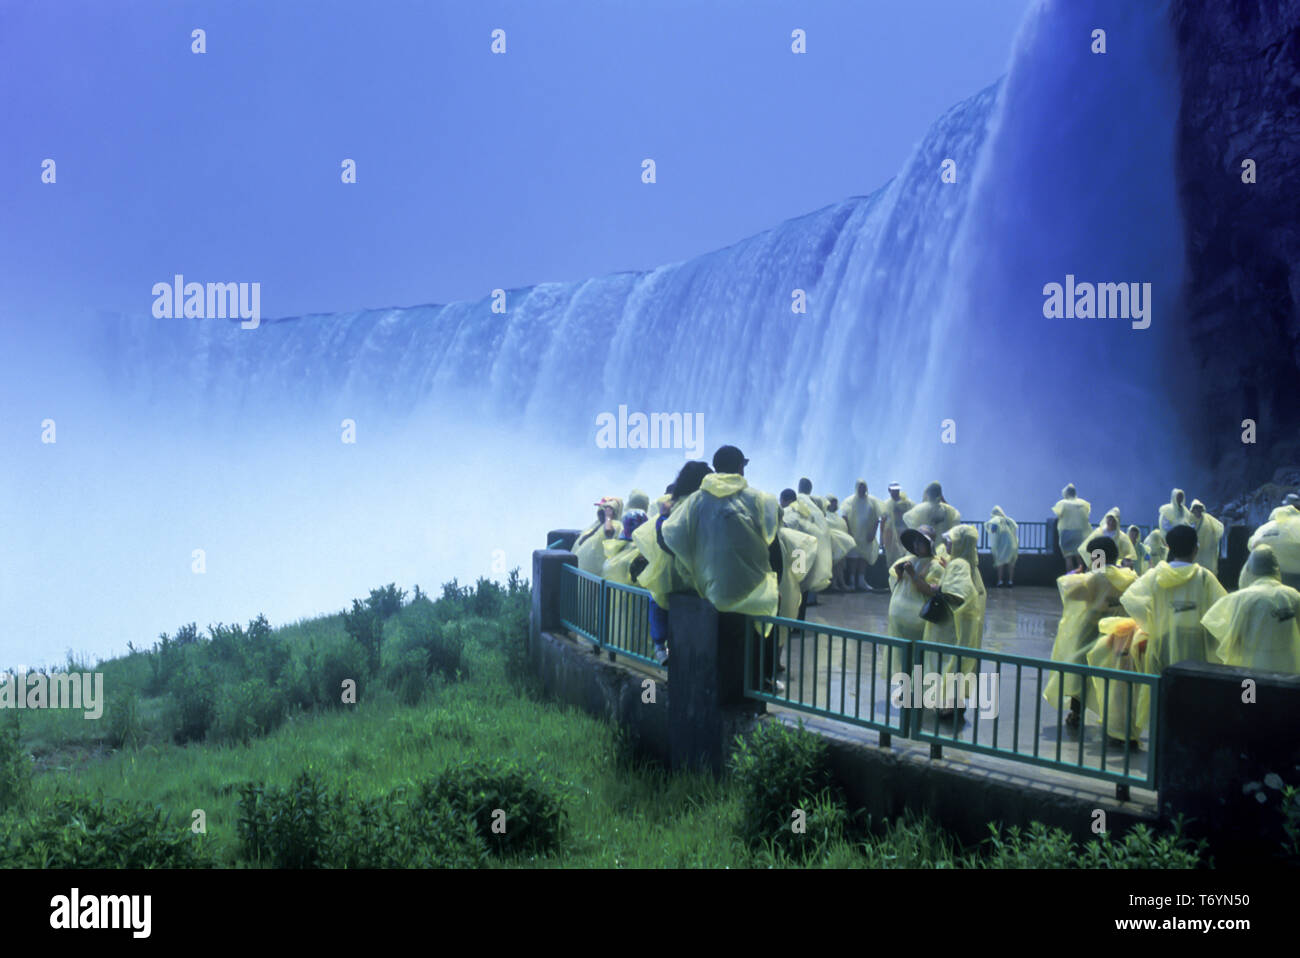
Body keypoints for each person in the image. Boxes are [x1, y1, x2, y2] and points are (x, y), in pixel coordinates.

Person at [661, 445, 784, 692]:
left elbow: (669, 536)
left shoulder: (696, 500)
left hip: (710, 587)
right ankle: (764, 679)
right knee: (769, 610)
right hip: (751, 589)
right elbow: (774, 537)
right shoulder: (760, 499)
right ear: (741, 467)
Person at [1044, 536, 1137, 729]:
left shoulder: (1093, 578)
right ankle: (1116, 720)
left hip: (1089, 631)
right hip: (1117, 632)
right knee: (1115, 676)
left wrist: (1076, 572)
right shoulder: (1129, 577)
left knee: (1081, 674)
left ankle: (1076, 712)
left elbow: (1068, 590)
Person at [1122, 525, 1228, 675]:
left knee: (1164, 689)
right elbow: (1223, 611)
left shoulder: (1155, 575)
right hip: (1195, 643)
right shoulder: (1204, 577)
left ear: (1169, 548)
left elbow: (1130, 600)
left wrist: (1152, 625)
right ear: (1195, 549)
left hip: (1162, 641)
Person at [633, 463, 711, 665]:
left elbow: (665, 541)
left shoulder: (678, 506)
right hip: (702, 574)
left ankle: (659, 646)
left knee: (657, 597)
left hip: (677, 572)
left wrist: (662, 517)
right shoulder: (705, 503)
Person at [918, 525, 985, 717]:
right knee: (957, 663)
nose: (946, 543)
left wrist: (938, 590)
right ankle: (955, 701)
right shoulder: (969, 563)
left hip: (949, 626)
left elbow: (959, 594)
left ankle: (946, 705)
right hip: (962, 625)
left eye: (951, 541)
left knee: (944, 662)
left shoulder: (958, 565)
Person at [1203, 544, 1300, 673]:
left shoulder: (1242, 598)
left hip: (1253, 670)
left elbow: (1214, 633)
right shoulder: (1294, 595)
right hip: (1291, 668)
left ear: (1248, 569)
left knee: (1251, 694)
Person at [1084, 617, 1150, 746]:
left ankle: (1119, 734)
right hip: (1128, 680)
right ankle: (1125, 735)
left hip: (1119, 680)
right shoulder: (1139, 634)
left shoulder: (1118, 634)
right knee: (1129, 706)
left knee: (1118, 705)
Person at [886, 526, 944, 645]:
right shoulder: (907, 560)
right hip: (899, 619)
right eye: (915, 541)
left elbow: (931, 592)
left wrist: (913, 574)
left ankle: (917, 665)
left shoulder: (935, 565)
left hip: (917, 623)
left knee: (917, 656)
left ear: (930, 544)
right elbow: (897, 586)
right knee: (902, 655)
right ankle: (905, 665)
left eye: (921, 542)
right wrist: (899, 574)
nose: (916, 545)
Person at [842, 480, 884, 592]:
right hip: (854, 534)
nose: (862, 489)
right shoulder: (849, 501)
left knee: (863, 558)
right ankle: (852, 581)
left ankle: (861, 581)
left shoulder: (872, 501)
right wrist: (849, 532)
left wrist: (873, 532)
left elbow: (877, 518)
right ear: (856, 488)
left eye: (864, 487)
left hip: (866, 534)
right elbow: (844, 517)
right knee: (853, 558)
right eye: (860, 487)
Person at [1248, 500, 1300, 589]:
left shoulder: (1264, 528)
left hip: (1268, 577)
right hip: (1295, 577)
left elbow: (1251, 545)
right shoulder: (1297, 524)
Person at [573, 496, 623, 574]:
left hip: (597, 572)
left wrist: (608, 517)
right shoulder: (599, 525)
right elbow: (581, 541)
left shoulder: (615, 525)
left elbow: (608, 532)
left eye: (602, 510)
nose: (599, 513)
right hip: (587, 571)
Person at [1052, 484, 1093, 573]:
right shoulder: (1084, 503)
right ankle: (1080, 576)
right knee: (1079, 556)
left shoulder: (1062, 503)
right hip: (1080, 532)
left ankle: (1070, 578)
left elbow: (1058, 515)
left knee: (1068, 557)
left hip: (1066, 532)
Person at [880, 483, 915, 566]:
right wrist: (881, 541)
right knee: (892, 559)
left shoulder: (908, 503)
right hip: (890, 535)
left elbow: (913, 517)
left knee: (904, 557)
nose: (895, 492)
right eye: (893, 490)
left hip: (904, 534)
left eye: (897, 490)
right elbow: (883, 522)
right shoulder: (885, 504)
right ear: (889, 490)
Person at [1188, 499, 1224, 575]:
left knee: (1208, 569)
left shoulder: (1208, 519)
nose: (1197, 510)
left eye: (1199, 507)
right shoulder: (1189, 519)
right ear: (1192, 509)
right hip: (1195, 550)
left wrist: (1212, 540)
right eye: (1195, 508)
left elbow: (1219, 528)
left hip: (1207, 550)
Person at [987, 506, 1018, 587]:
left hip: (1002, 544)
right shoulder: (1008, 520)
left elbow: (993, 531)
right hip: (1012, 544)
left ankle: (1000, 581)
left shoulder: (996, 520)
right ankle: (1010, 581)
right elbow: (1014, 529)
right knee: (1011, 563)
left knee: (1000, 562)